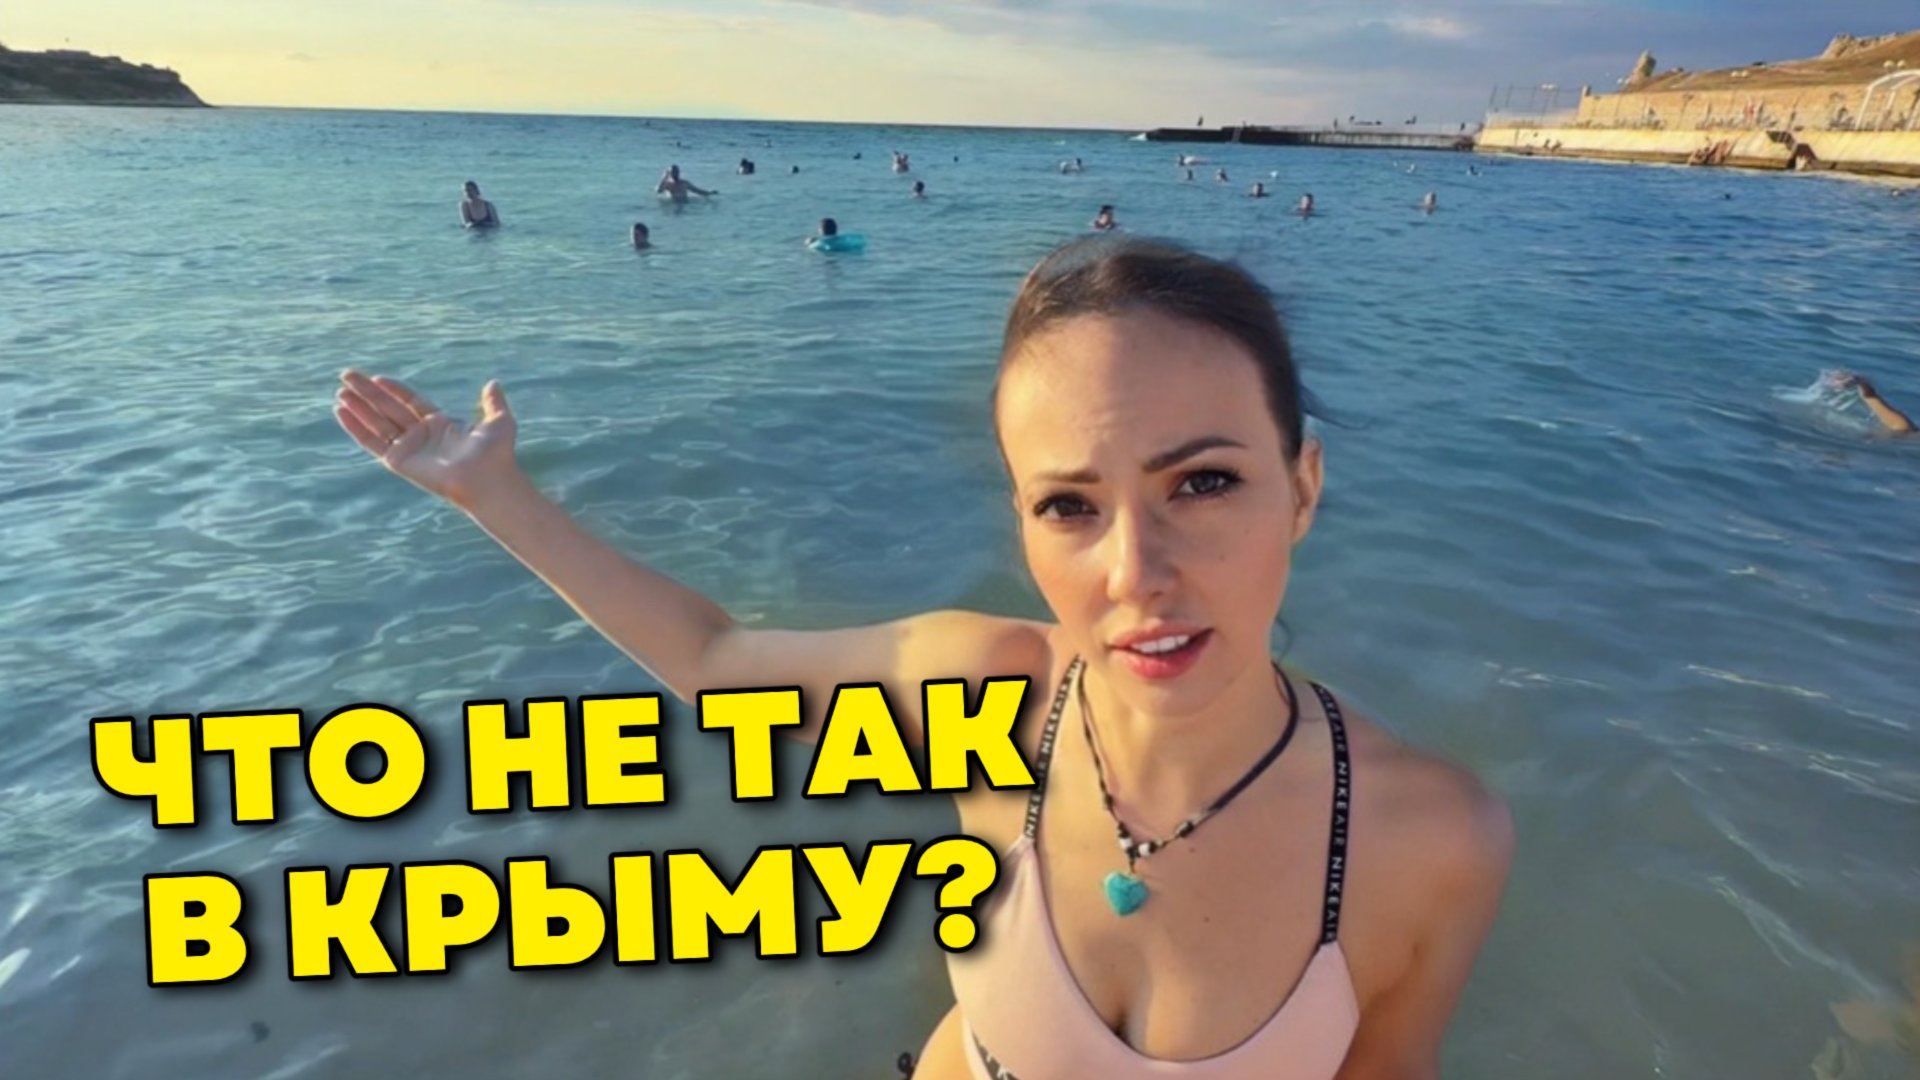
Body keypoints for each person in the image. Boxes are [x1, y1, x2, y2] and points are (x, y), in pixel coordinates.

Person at [330, 236, 1513, 1080]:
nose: (1135, 573)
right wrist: (493, 495)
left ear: (1302, 489)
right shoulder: (988, 694)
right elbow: (712, 654)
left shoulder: (1428, 840)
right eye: (1069, 506)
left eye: (1203, 483)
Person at [1832, 372, 1916, 433]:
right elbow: (1870, 397)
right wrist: (1858, 381)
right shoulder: (1904, 428)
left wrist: (1859, 381)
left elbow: (1870, 397)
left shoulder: (1904, 428)